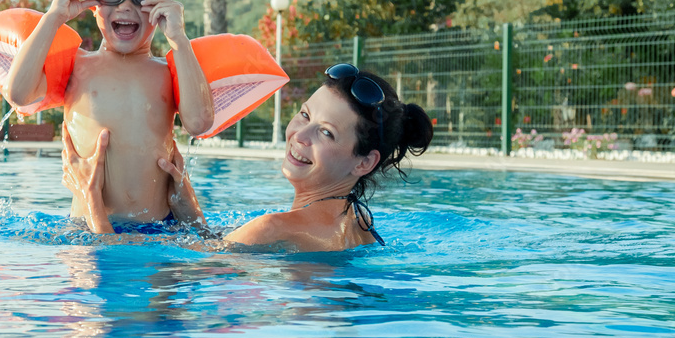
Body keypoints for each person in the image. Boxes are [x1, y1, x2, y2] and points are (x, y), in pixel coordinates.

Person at [61, 64, 434, 251]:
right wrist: (187, 204)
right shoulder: (362, 232)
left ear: (364, 162)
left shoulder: (274, 227)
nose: (298, 136)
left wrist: (90, 196)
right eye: (304, 115)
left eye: (326, 133)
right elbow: (220, 248)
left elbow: (127, 264)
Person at [7, 0, 213, 234]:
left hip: (158, 232)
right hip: (86, 231)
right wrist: (54, 17)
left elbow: (199, 123)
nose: (126, 5)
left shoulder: (168, 71)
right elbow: (19, 94)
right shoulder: (77, 66)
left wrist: (179, 37)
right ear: (93, 4)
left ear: (163, 6)